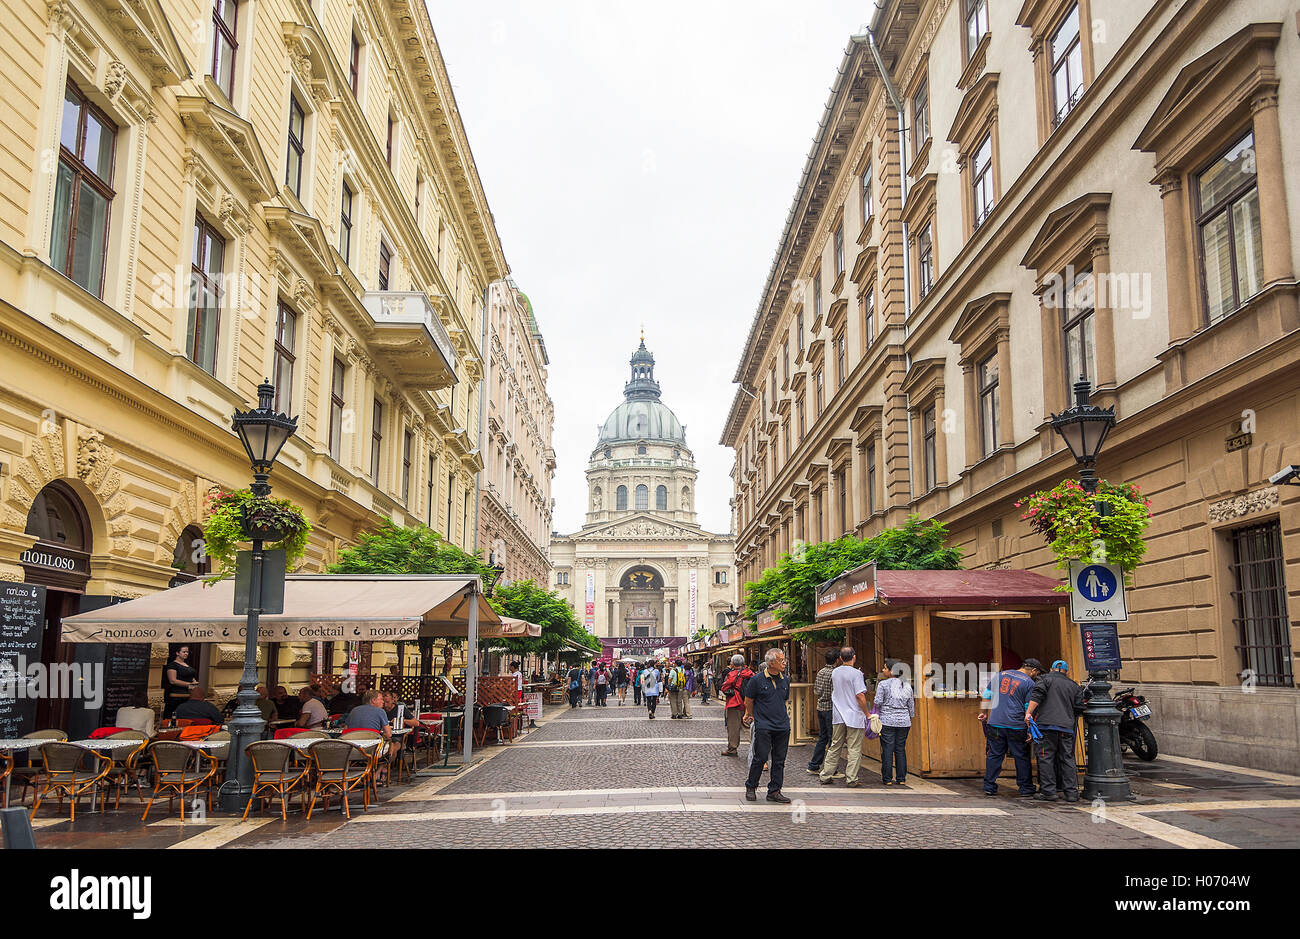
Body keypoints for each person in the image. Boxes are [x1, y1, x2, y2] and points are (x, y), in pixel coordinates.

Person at [978, 658, 1044, 797]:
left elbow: (987, 694)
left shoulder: (1000, 675)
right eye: (1037, 673)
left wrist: (983, 713)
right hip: (1016, 725)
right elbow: (1028, 708)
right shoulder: (1029, 683)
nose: (1036, 676)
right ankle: (1025, 788)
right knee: (1021, 756)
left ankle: (989, 786)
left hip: (995, 723)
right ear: (1032, 670)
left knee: (994, 755)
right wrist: (1029, 728)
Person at [1025, 660, 1087, 803]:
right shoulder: (1074, 686)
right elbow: (1079, 707)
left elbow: (1036, 696)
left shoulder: (1044, 680)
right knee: (1067, 758)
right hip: (1066, 727)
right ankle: (1071, 793)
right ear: (1067, 671)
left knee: (1046, 757)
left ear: (1052, 669)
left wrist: (1028, 713)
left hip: (1046, 726)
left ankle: (1048, 791)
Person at [742, 648, 792, 803]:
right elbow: (748, 700)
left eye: (784, 660)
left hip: (782, 725)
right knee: (760, 757)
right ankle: (751, 787)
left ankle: (774, 790)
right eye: (781, 660)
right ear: (771, 663)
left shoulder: (786, 680)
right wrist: (751, 715)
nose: (784, 663)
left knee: (779, 760)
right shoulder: (756, 680)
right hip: (763, 725)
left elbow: (783, 699)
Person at [820, 648, 873, 787]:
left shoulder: (835, 672)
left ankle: (826, 775)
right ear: (854, 657)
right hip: (854, 715)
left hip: (838, 714)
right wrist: (867, 714)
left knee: (835, 745)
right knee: (854, 748)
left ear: (841, 658)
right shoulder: (856, 674)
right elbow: (860, 696)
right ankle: (851, 779)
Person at [874, 665, 915, 786]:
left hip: (887, 721)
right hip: (904, 722)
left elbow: (877, 701)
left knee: (887, 749)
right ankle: (901, 778)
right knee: (900, 748)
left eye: (885, 668)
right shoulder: (907, 686)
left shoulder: (883, 684)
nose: (883, 670)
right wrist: (908, 716)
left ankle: (887, 779)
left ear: (892, 671)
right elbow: (911, 706)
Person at [807, 649, 840, 774]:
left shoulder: (820, 672)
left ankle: (814, 765)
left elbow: (816, 691)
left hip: (820, 707)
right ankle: (831, 769)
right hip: (831, 709)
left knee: (822, 737)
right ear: (837, 660)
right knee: (832, 739)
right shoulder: (835, 673)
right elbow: (836, 693)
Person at [719, 654, 752, 756]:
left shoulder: (732, 674)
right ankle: (756, 747)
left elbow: (724, 687)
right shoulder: (750, 673)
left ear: (732, 664)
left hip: (735, 703)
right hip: (748, 703)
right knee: (749, 726)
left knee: (733, 727)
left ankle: (732, 749)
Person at [161, 645, 198, 719]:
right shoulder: (173, 665)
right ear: (177, 653)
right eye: (184, 652)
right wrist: (190, 684)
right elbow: (173, 681)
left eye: (187, 652)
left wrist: (194, 683)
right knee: (173, 717)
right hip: (176, 697)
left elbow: (191, 678)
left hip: (188, 697)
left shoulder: (188, 666)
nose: (186, 654)